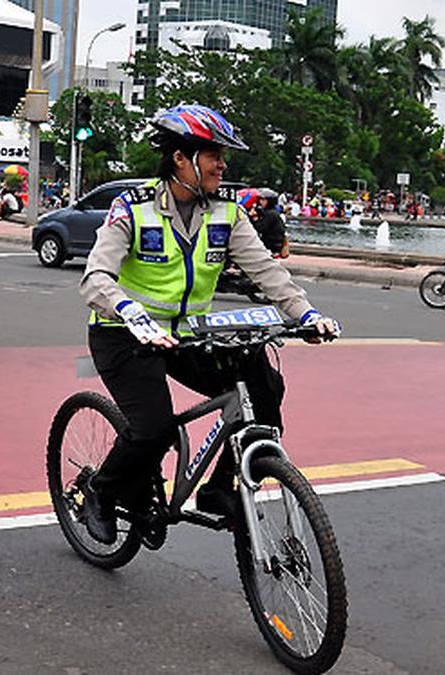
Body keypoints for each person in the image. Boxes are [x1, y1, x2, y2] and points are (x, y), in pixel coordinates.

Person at [77, 104, 339, 544]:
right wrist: (129, 311)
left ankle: (220, 488)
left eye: (222, 155)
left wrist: (305, 314)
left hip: (187, 336)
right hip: (123, 334)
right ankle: (100, 495)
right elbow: (96, 277)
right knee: (154, 428)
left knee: (264, 387)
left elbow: (267, 272)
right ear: (180, 157)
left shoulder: (227, 212)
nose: (222, 163)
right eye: (212, 154)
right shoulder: (133, 206)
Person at [252, 188, 286, 257]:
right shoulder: (271, 212)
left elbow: (260, 228)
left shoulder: (271, 214)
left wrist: (255, 218)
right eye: (260, 200)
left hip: (271, 245)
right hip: (272, 243)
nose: (261, 202)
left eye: (264, 200)